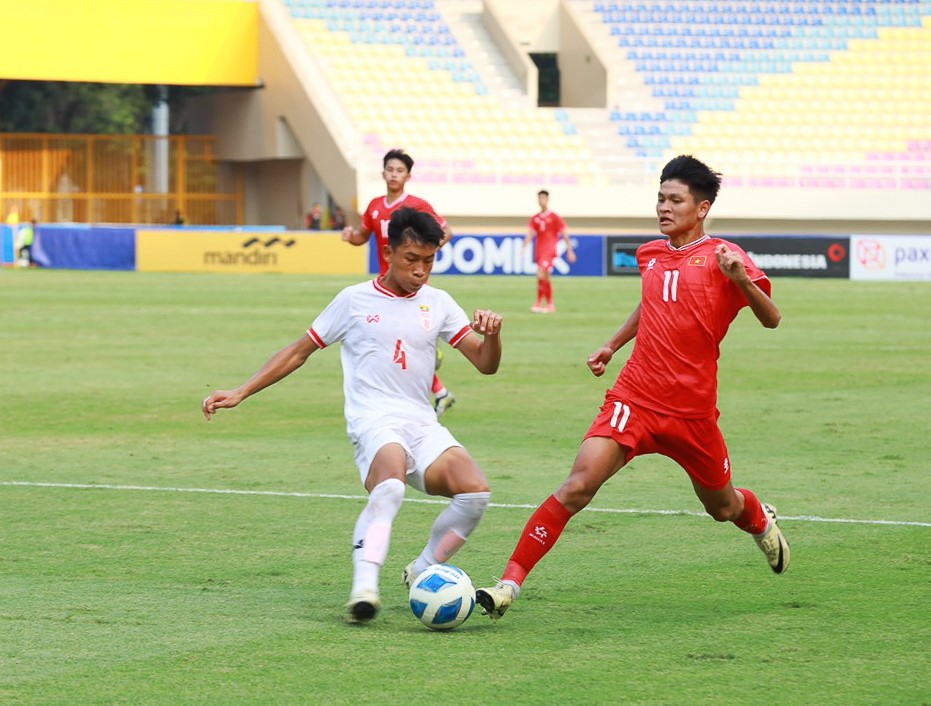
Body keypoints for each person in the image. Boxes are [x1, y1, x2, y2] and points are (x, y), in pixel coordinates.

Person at [476, 155, 789, 621]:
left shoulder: (726, 257)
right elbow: (653, 305)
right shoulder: (650, 254)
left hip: (692, 413)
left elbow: (772, 318)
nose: (664, 207)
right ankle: (508, 585)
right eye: (660, 198)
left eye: (675, 200)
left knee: (722, 507)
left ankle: (760, 519)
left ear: (701, 208)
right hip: (634, 399)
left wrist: (741, 280)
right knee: (577, 486)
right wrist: (613, 344)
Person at [202, 207, 504, 624]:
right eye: (411, 259)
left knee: (476, 493)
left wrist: (493, 336)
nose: (421, 271)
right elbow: (298, 351)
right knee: (391, 487)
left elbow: (486, 364)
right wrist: (242, 390)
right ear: (387, 251)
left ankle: (422, 567)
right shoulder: (354, 300)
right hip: (373, 421)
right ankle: (364, 588)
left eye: (429, 261)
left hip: (421, 423)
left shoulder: (439, 303)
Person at [342, 148, 457, 416]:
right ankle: (439, 392)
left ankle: (431, 370)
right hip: (384, 288)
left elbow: (446, 231)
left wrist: (421, 258)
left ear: (408, 176)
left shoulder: (417, 205)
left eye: (399, 171)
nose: (394, 174)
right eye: (390, 170)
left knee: (399, 344)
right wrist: (350, 236)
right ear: (383, 173)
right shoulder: (374, 206)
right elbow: (362, 236)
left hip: (410, 288)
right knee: (391, 345)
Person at [525, 190, 576, 313]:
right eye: (539, 198)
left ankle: (544, 303)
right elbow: (530, 234)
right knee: (544, 276)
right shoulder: (535, 218)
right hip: (539, 250)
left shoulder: (554, 217)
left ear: (547, 200)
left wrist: (570, 250)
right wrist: (524, 247)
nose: (541, 201)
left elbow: (564, 233)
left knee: (541, 273)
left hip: (549, 250)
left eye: (543, 198)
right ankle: (546, 304)